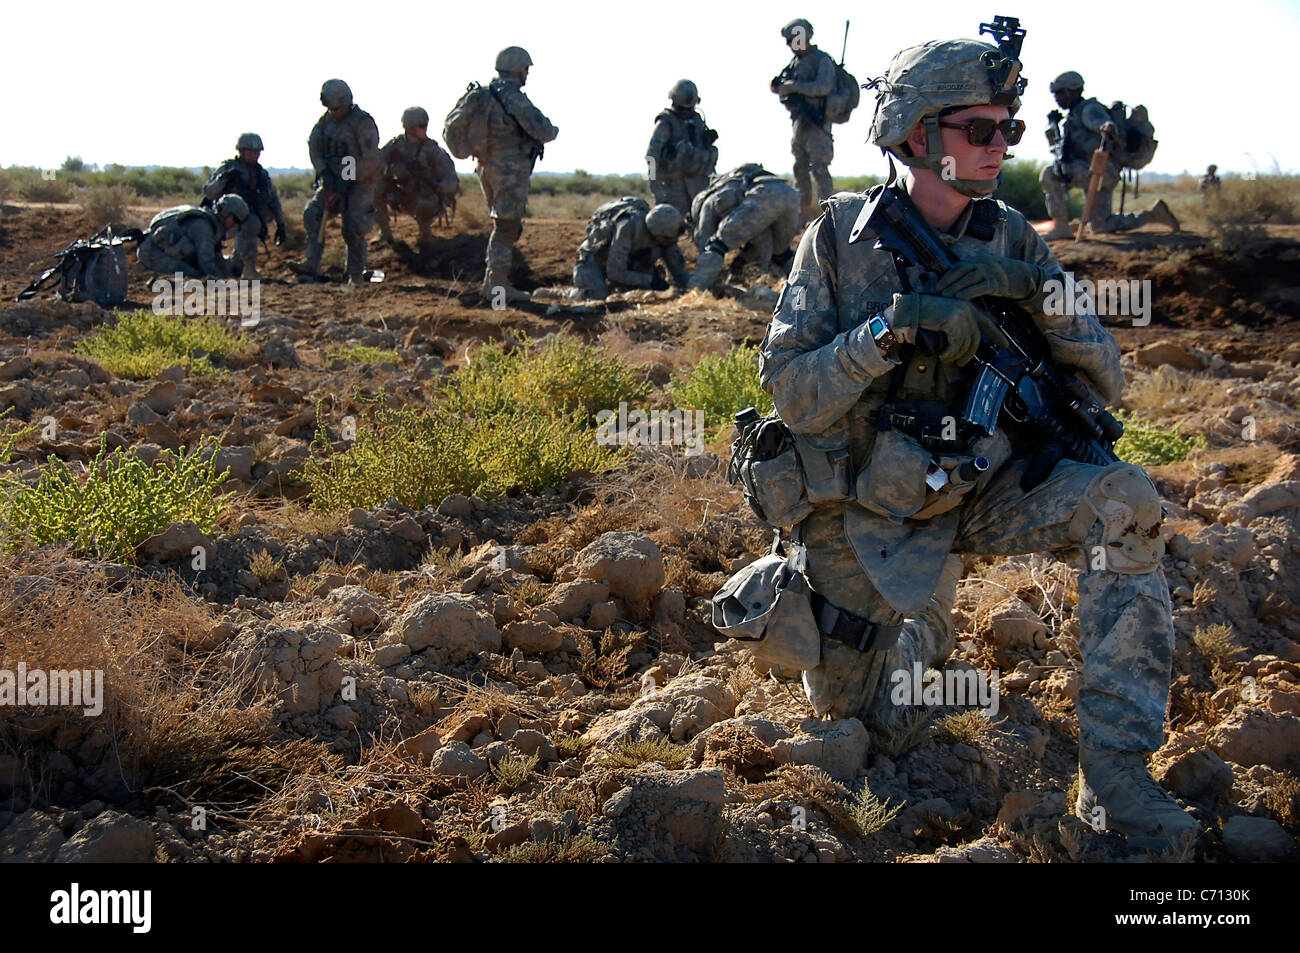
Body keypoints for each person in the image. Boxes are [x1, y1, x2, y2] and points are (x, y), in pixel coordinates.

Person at [756, 31, 1202, 853]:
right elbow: (791, 392)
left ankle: (1118, 775)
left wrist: (1038, 289)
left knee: (1126, 504)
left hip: (986, 487)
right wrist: (890, 331)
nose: (1001, 148)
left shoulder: (1012, 240)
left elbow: (1108, 378)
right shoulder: (840, 238)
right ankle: (923, 625)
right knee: (871, 731)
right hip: (871, 511)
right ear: (920, 135)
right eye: (981, 130)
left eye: (1011, 131)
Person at [1040, 71, 1178, 239]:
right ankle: (1153, 215)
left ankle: (1061, 227)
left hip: (1098, 171)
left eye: (1060, 93)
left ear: (1072, 91)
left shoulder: (1089, 110)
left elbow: (1104, 123)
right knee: (1101, 225)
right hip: (1098, 171)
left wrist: (1107, 126)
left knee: (1050, 174)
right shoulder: (1074, 114)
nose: (1057, 98)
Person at [475, 46, 559, 304]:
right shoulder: (513, 97)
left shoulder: (483, 96)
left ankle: (492, 283)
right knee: (507, 226)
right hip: (509, 171)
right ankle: (498, 289)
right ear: (517, 69)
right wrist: (553, 129)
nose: (527, 74)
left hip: (486, 167)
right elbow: (542, 130)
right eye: (525, 69)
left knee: (503, 225)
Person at [292, 79, 380, 283]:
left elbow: (371, 159)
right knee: (313, 214)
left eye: (337, 108)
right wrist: (324, 172)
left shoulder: (362, 123)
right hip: (331, 182)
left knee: (352, 226)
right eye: (330, 108)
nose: (334, 112)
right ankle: (311, 263)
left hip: (358, 184)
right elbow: (314, 147)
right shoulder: (325, 123)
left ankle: (355, 274)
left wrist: (348, 177)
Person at [688, 165, 800, 291]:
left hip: (765, 193)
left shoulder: (708, 203)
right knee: (781, 253)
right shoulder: (734, 184)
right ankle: (809, 286)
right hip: (790, 193)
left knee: (717, 246)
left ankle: (695, 289)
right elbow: (760, 238)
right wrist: (742, 260)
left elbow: (706, 244)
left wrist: (707, 275)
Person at [770, 18, 837, 223]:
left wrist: (796, 87)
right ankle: (801, 214)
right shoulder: (794, 64)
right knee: (800, 167)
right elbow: (777, 86)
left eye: (793, 39)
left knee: (819, 168)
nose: (791, 44)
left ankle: (829, 216)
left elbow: (824, 87)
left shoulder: (821, 60)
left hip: (817, 123)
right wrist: (782, 87)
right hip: (799, 122)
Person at [201, 133, 287, 279]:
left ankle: (237, 266)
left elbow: (273, 199)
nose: (255, 155)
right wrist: (224, 179)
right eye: (251, 151)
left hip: (250, 219)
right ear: (241, 151)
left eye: (257, 152)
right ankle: (248, 270)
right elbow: (209, 192)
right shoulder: (228, 168)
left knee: (234, 266)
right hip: (224, 218)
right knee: (250, 224)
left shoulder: (261, 174)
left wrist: (281, 223)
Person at [571, 199, 688, 300]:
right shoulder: (627, 227)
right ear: (660, 234)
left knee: (639, 294)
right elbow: (615, 272)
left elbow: (680, 272)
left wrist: (695, 289)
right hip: (594, 259)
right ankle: (567, 293)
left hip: (624, 262)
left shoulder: (665, 236)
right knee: (596, 296)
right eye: (668, 239)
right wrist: (650, 281)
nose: (672, 242)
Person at [375, 107, 460, 244]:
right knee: (375, 188)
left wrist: (441, 188)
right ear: (410, 128)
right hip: (400, 195)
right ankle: (385, 232)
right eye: (422, 126)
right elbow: (377, 161)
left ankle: (425, 232)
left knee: (425, 204)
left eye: (426, 125)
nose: (425, 129)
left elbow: (450, 175)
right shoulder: (395, 145)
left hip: (423, 196)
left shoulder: (432, 149)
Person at [646, 80, 718, 221]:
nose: (686, 112)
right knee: (667, 228)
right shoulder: (666, 122)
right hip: (674, 188)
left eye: (689, 108)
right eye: (682, 108)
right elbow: (651, 157)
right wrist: (657, 191)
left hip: (699, 185)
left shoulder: (697, 121)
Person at [137, 194, 248, 278]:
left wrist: (231, 269)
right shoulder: (203, 228)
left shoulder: (211, 225)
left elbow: (216, 258)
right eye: (235, 219)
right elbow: (206, 263)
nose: (235, 225)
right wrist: (219, 280)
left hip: (161, 251)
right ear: (224, 212)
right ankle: (154, 277)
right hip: (152, 253)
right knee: (194, 276)